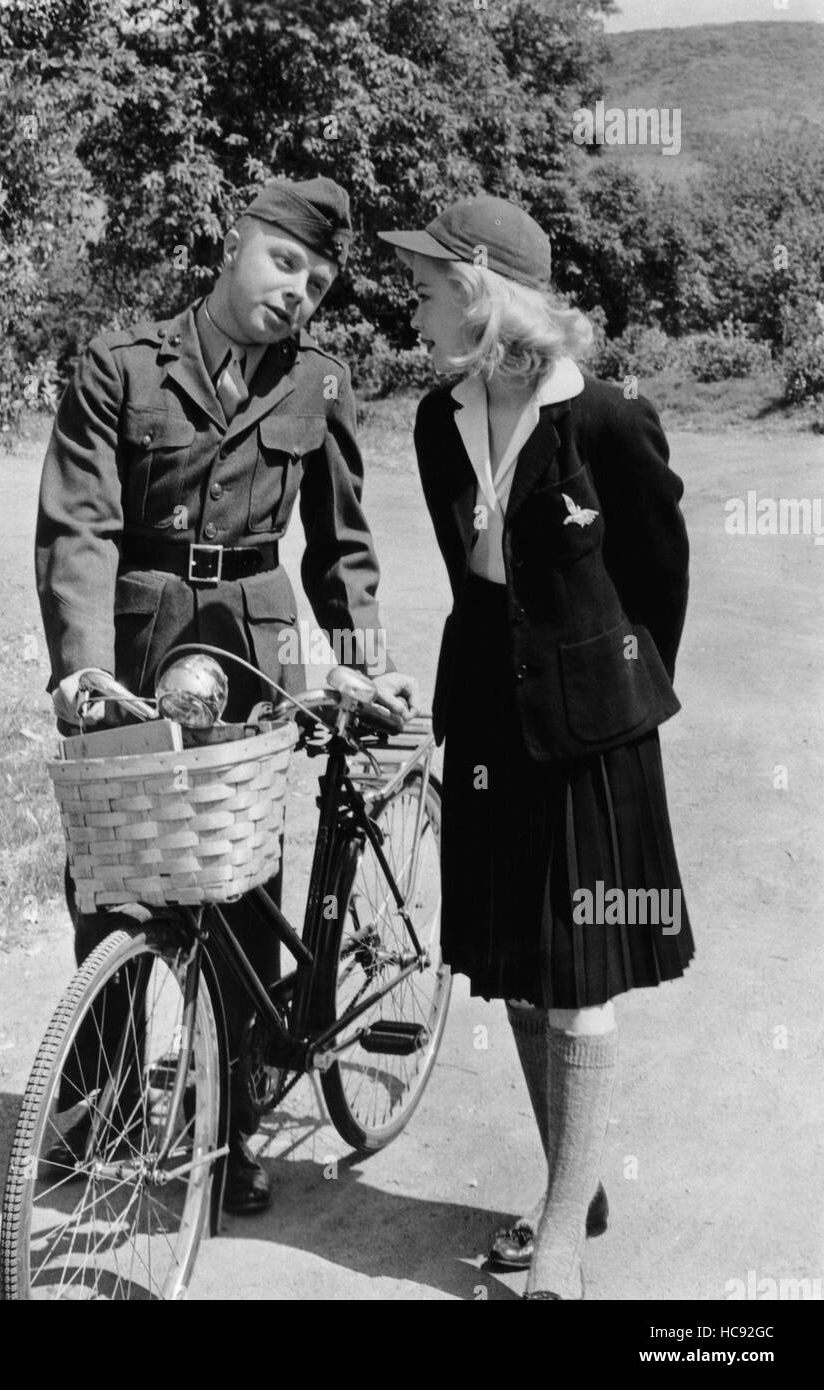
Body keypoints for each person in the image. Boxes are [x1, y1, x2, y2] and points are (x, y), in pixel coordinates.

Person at [36, 175, 418, 1215]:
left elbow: (342, 548)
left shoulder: (319, 386)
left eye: (319, 280)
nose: (299, 291)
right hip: (140, 622)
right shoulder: (122, 365)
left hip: (259, 634)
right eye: (285, 262)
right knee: (115, 871)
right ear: (233, 239)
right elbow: (79, 526)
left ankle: (232, 1113)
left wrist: (363, 656)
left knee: (243, 876)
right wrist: (79, 663)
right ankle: (92, 1098)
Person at [379, 195, 694, 1299]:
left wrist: (611, 685)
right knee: (513, 975)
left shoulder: (604, 419)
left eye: (423, 285)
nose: (408, 304)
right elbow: (475, 584)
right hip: (485, 726)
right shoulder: (434, 420)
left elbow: (658, 576)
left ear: (477, 287)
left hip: (589, 735)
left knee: (577, 983)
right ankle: (580, 1179)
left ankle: (559, 1246)